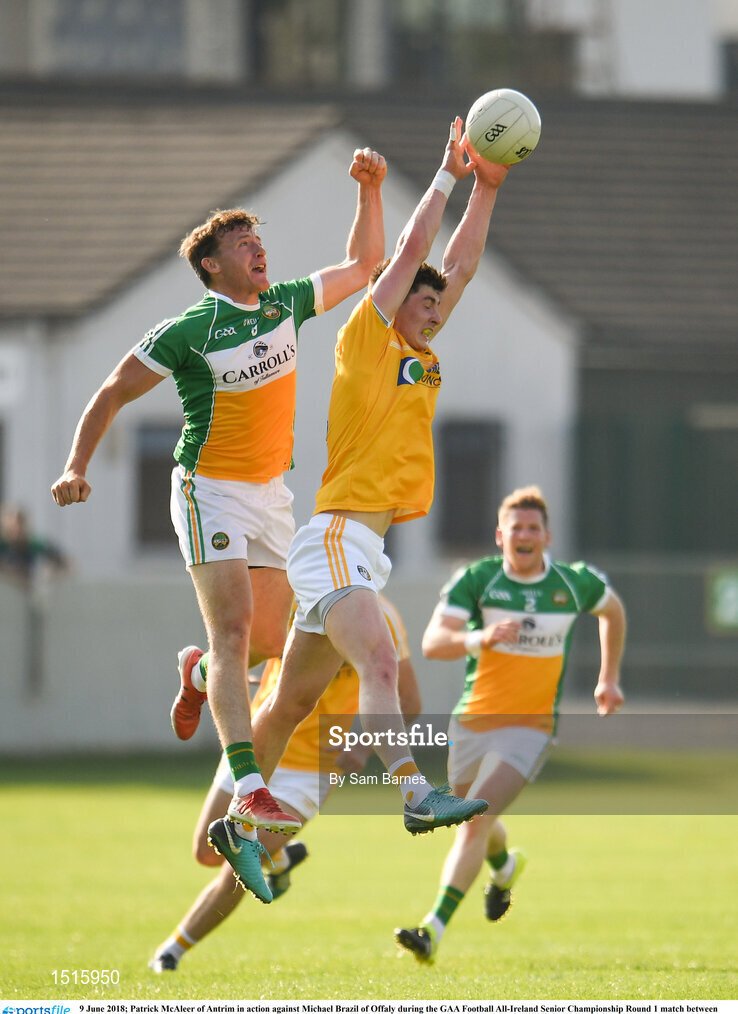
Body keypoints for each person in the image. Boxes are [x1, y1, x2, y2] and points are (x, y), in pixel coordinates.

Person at [50, 149, 386, 891]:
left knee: (268, 646)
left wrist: (371, 190)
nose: (259, 251)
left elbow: (364, 266)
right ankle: (249, 786)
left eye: (259, 242)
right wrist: (77, 465)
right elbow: (111, 389)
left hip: (270, 495)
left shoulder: (285, 302)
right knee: (236, 633)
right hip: (208, 491)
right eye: (242, 246)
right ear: (210, 266)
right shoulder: (190, 329)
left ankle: (197, 673)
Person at [249, 118, 511, 848]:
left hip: (359, 545)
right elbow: (413, 252)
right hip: (335, 537)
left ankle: (239, 813)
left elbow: (457, 267)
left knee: (292, 700)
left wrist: (488, 189)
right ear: (393, 305)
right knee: (382, 658)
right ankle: (413, 791)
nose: (435, 307)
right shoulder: (366, 337)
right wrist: (449, 176)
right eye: (421, 301)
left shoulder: (419, 356)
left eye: (435, 304)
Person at [394, 485, 626, 964]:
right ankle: (504, 868)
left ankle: (432, 929)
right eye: (515, 527)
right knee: (476, 818)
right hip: (473, 723)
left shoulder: (571, 582)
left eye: (533, 528)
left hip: (531, 727)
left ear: (547, 536)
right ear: (500, 536)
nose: (524, 535)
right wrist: (482, 637)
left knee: (474, 819)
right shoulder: (478, 579)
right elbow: (435, 642)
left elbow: (613, 610)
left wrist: (608, 678)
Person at [149, 595, 420, 971]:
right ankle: (279, 860)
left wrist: (360, 744)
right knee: (206, 852)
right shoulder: (294, 596)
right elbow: (243, 647)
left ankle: (170, 953)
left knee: (238, 869)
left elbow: (409, 699)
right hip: (257, 746)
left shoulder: (382, 616)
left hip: (313, 771)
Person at [0, 504, 69, 588]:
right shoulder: (3, 546)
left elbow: (65, 562)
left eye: (20, 525)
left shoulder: (34, 545)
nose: (17, 530)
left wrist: (50, 575)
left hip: (29, 588)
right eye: (13, 527)